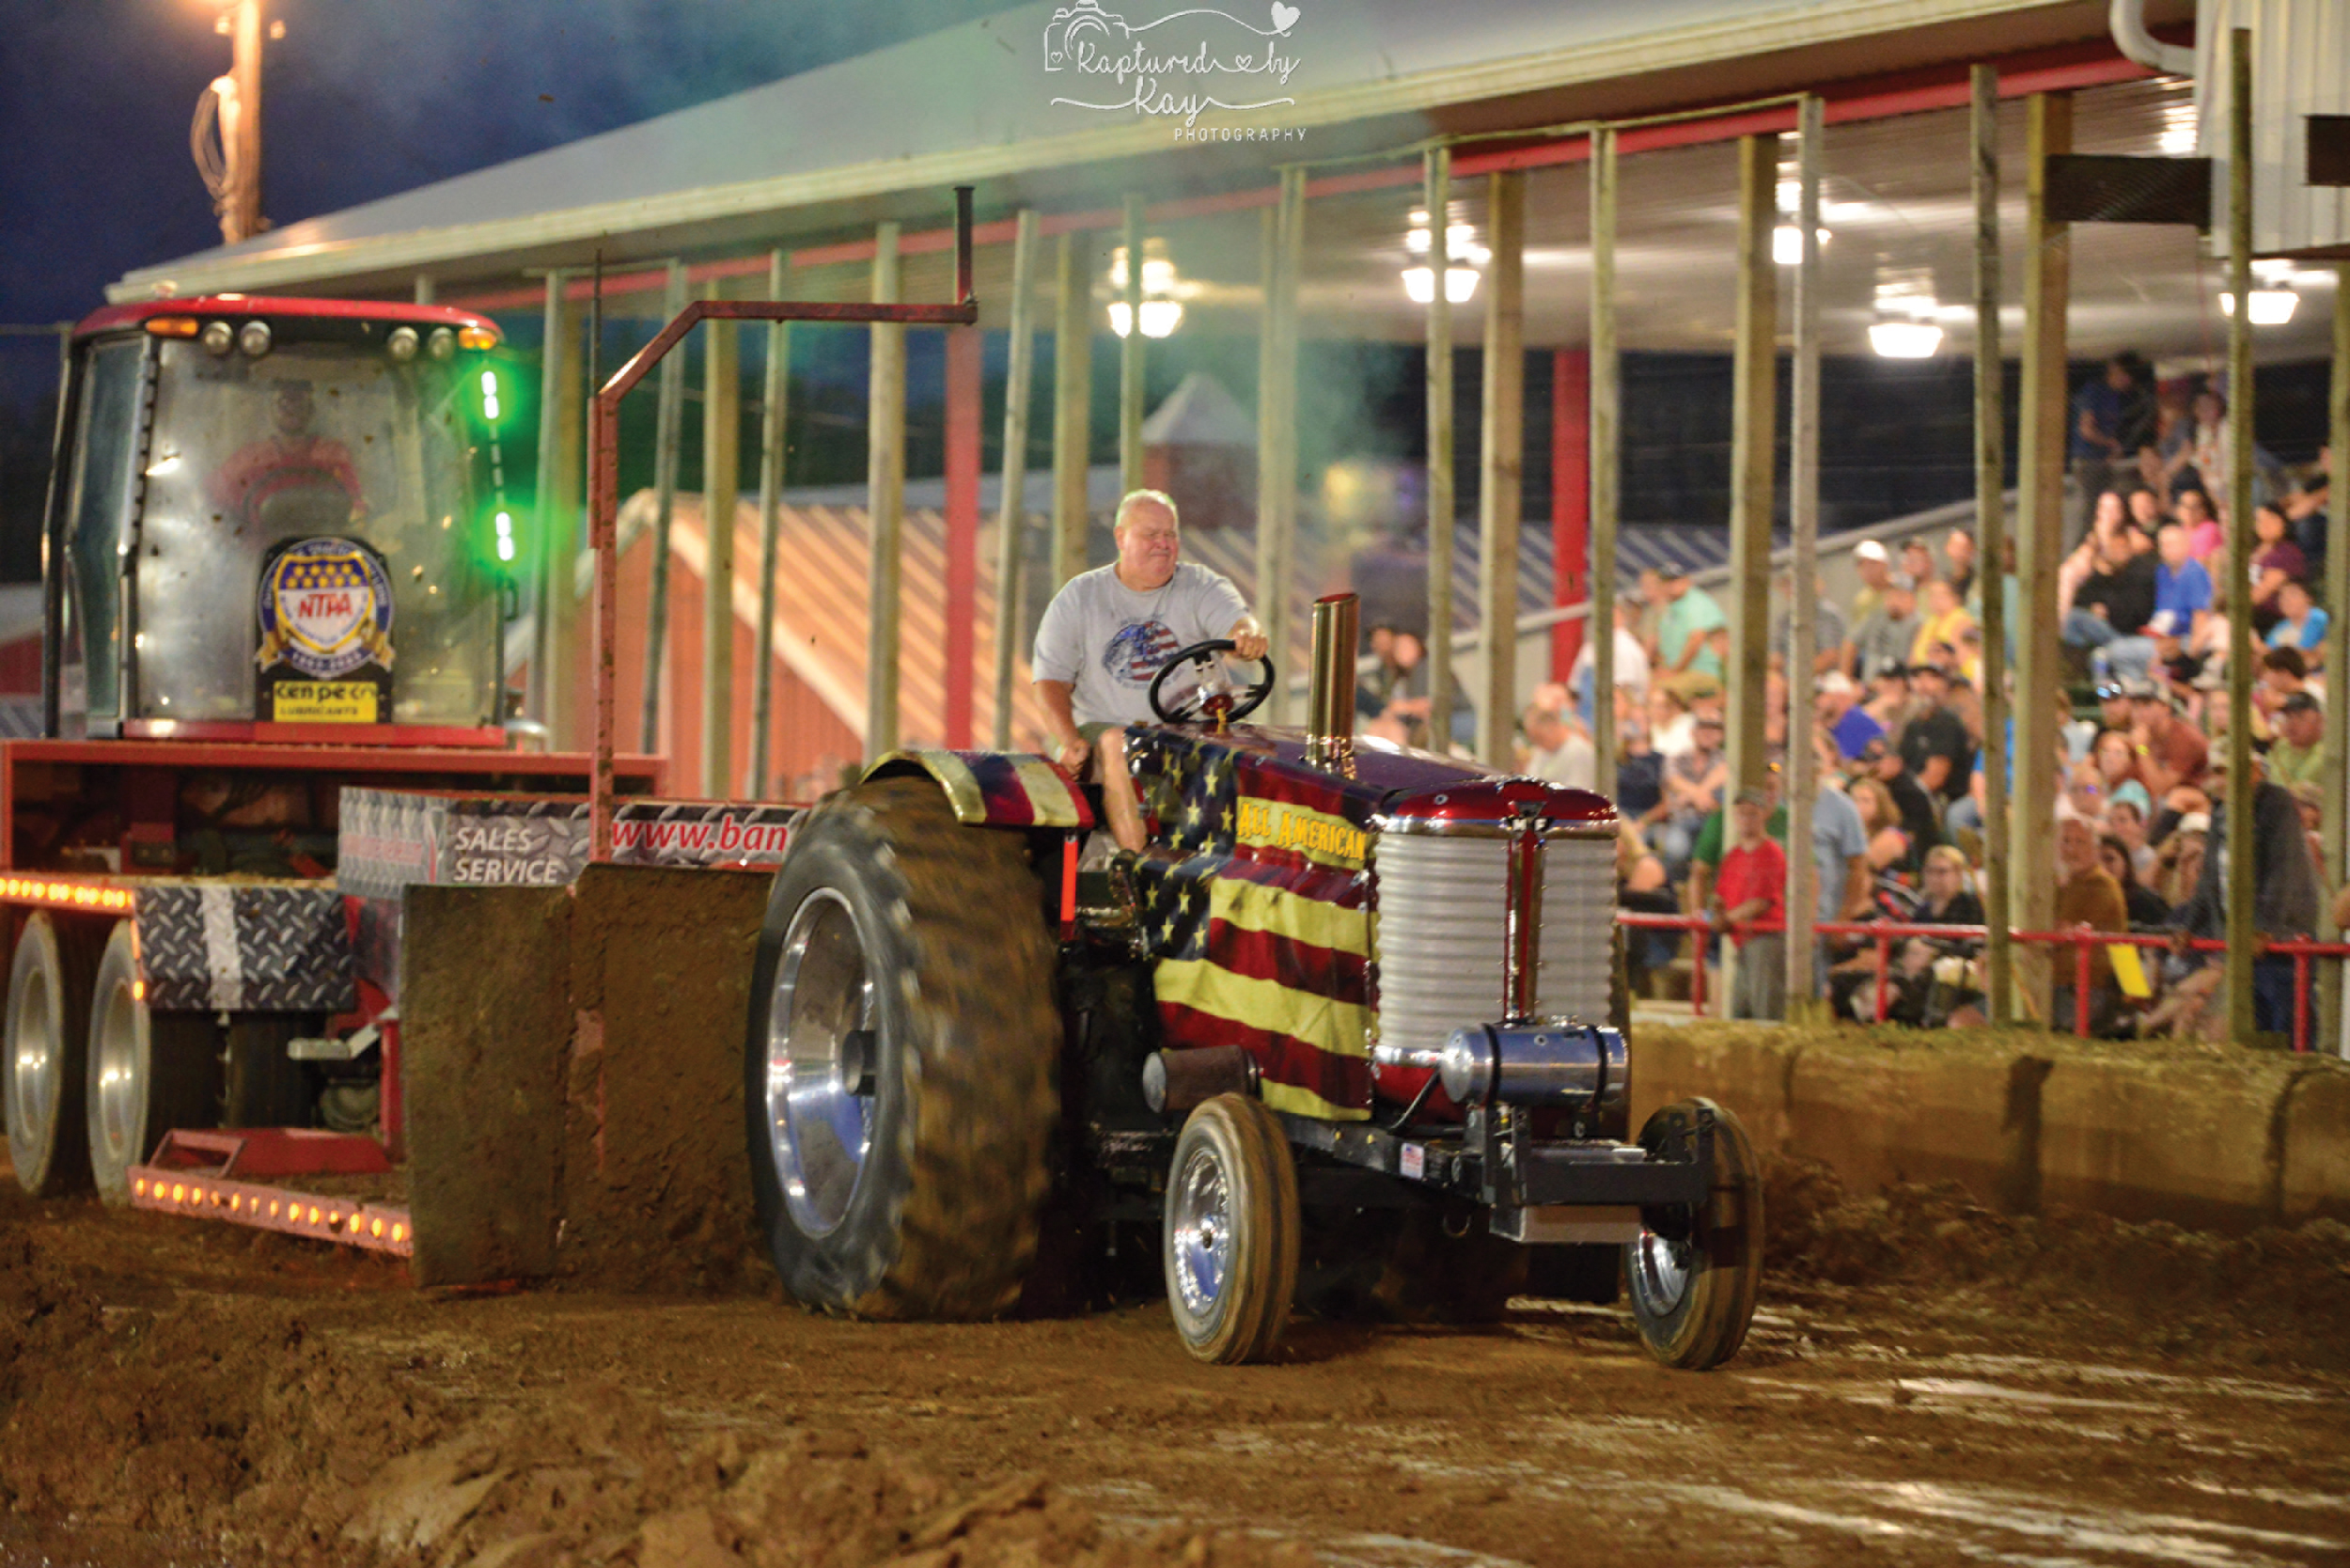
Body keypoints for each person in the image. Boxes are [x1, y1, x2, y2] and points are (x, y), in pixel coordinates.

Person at [1033, 489, 1268, 853]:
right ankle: (1138, 869)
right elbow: (1050, 681)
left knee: (1257, 750)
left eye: (1170, 534)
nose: (1163, 544)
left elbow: (1236, 621)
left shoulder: (1199, 585)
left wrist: (1246, 634)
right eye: (1150, 535)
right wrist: (1071, 742)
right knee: (1116, 743)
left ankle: (1241, 867)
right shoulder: (1080, 597)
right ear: (1120, 538)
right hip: (1105, 729)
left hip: (1185, 729)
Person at [2173, 758, 2323, 1034]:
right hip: (2246, 942)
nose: (2217, 780)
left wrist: (2266, 927)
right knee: (2255, 1025)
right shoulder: (2221, 809)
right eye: (2215, 772)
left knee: (2288, 1021)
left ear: (2253, 771)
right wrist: (2188, 926)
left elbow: (2284, 865)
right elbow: (2210, 877)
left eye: (2223, 771)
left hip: (2279, 941)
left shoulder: (2276, 804)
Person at [210, 380, 365, 528]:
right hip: (261, 553)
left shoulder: (335, 456)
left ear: (311, 409)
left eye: (299, 403)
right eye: (283, 403)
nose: (291, 409)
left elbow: (357, 509)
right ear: (271, 409)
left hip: (324, 550)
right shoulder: (246, 460)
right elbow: (213, 509)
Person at [1711, 788, 1787, 1021]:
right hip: (1742, 937)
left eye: (1752, 813)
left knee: (1763, 1007)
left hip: (1765, 937)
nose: (1745, 819)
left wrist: (1725, 919)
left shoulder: (1772, 853)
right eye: (1741, 813)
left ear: (1764, 815)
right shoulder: (1733, 855)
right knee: (1742, 1008)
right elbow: (1720, 895)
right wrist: (1716, 912)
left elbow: (1763, 901)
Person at [2051, 814, 2130, 1035]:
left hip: (2084, 989)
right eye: (2065, 841)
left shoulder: (2101, 885)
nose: (2071, 850)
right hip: (2053, 985)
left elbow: (2060, 931)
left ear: (2095, 850)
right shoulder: (2058, 884)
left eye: (2080, 842)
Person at [2072, 354, 2155, 545]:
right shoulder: (2094, 392)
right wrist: (2111, 444)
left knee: (2105, 508)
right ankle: (2084, 548)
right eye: (2123, 377)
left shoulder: (2116, 397)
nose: (2126, 383)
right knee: (2092, 512)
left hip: (2103, 461)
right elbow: (2087, 429)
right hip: (2089, 462)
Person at [1567, 597, 1651, 728]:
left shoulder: (1626, 645)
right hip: (1586, 711)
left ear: (1620, 614)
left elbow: (1622, 692)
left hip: (1618, 719)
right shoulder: (1590, 646)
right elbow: (1575, 688)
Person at [1898, 664, 1974, 806]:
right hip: (1912, 793)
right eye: (1917, 677)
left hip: (1941, 798)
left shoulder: (1945, 722)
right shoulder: (1913, 724)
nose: (1923, 684)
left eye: (1933, 678)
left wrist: (1903, 796)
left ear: (1945, 686)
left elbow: (1934, 778)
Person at [1652, 565, 1727, 692]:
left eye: (1675, 580)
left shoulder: (1696, 602)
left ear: (1686, 581)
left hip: (1702, 672)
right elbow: (1664, 650)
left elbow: (1696, 639)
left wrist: (1675, 671)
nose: (1671, 586)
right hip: (1679, 672)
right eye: (1667, 582)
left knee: (1665, 693)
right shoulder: (1669, 610)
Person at [1845, 572, 1921, 682]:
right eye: (1891, 596)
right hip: (1868, 686)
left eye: (1901, 597)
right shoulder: (1875, 618)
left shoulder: (1920, 625)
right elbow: (1850, 642)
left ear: (1913, 600)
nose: (1894, 602)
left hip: (1900, 686)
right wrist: (1846, 679)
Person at [1521, 698, 1595, 789]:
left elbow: (1578, 792)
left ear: (1552, 726)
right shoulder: (1540, 752)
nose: (1537, 743)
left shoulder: (1578, 751)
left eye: (1539, 737)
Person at [2266, 690, 2326, 791]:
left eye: (2300, 717)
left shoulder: (2328, 755)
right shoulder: (2279, 748)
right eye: (2288, 716)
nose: (2292, 724)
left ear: (2319, 720)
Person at [1817, 670, 1882, 760]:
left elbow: (1846, 763)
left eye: (1823, 695)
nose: (1818, 700)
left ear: (1841, 697)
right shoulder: (1836, 724)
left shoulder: (1855, 721)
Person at [2265, 578, 2329, 660]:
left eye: (2293, 594)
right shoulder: (2281, 626)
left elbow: (2302, 653)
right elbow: (2268, 651)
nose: (2286, 600)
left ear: (2308, 598)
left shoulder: (2318, 619)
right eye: (2282, 595)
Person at [1849, 539, 1892, 627]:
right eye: (1862, 565)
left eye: (1872, 563)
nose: (1867, 570)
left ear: (1885, 564)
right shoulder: (1861, 600)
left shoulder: (1901, 590)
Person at [1944, 528, 1979, 602]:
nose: (1959, 552)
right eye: (1956, 546)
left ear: (1972, 551)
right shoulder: (1943, 583)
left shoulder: (1979, 583)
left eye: (1964, 548)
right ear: (1947, 548)